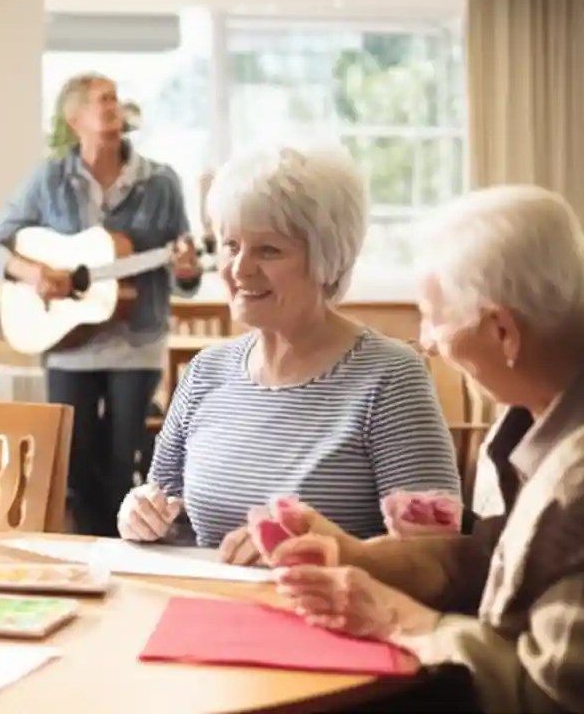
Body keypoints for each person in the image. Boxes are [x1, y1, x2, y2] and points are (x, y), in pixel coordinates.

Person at [267, 185, 584, 711]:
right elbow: (502, 558)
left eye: (434, 317)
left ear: (503, 332)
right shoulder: (551, 415)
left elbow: (550, 698)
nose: (426, 341)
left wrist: (394, 617)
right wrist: (360, 557)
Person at [116, 143, 461, 557]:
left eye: (269, 250)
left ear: (327, 259)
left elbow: (437, 554)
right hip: (209, 608)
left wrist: (321, 550)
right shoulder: (206, 371)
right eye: (230, 245)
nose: (240, 269)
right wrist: (140, 516)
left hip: (328, 614)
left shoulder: (390, 377)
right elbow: (169, 518)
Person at [0, 72, 201, 537]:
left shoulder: (160, 182)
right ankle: (89, 547)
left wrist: (186, 271)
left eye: (116, 99)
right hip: (67, 342)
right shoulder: (50, 178)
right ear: (74, 117)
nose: (113, 108)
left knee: (123, 459)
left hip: (136, 340)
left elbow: (185, 275)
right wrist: (35, 273)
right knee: (73, 460)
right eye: (103, 100)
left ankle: (120, 548)